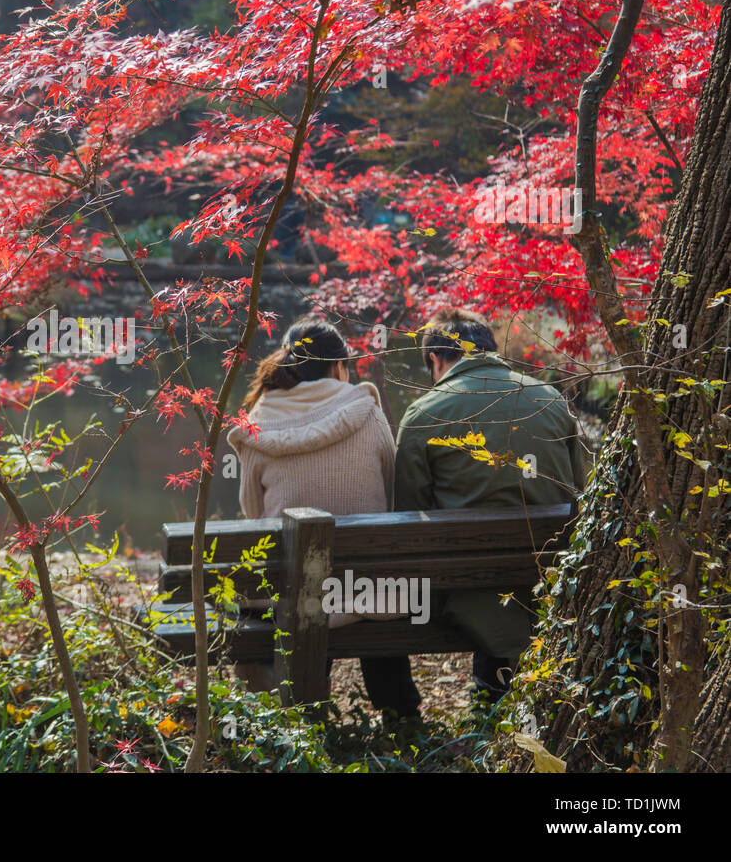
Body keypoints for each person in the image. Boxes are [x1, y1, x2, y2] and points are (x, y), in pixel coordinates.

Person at [227, 319, 421, 719]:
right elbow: (390, 491)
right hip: (369, 589)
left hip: (293, 595)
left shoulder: (257, 424)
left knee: (287, 583)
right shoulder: (366, 410)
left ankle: (293, 713)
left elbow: (252, 515)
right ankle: (400, 711)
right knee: (372, 572)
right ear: (338, 367)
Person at [393, 308, 585, 702]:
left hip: (469, 586)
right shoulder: (550, 399)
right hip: (553, 581)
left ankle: (490, 695)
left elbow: (409, 517)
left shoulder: (423, 414)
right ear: (488, 349)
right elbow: (578, 491)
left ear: (434, 359)